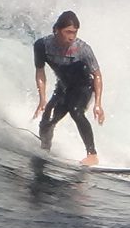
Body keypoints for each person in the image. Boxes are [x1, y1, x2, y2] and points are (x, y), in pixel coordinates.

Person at [32, 10, 104, 165]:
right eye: (68, 32)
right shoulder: (42, 46)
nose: (71, 37)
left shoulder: (83, 49)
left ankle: (92, 154)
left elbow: (97, 75)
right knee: (47, 119)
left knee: (76, 111)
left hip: (84, 87)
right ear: (57, 30)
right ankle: (45, 148)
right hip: (63, 87)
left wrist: (98, 104)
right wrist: (42, 100)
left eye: (75, 33)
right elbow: (40, 72)